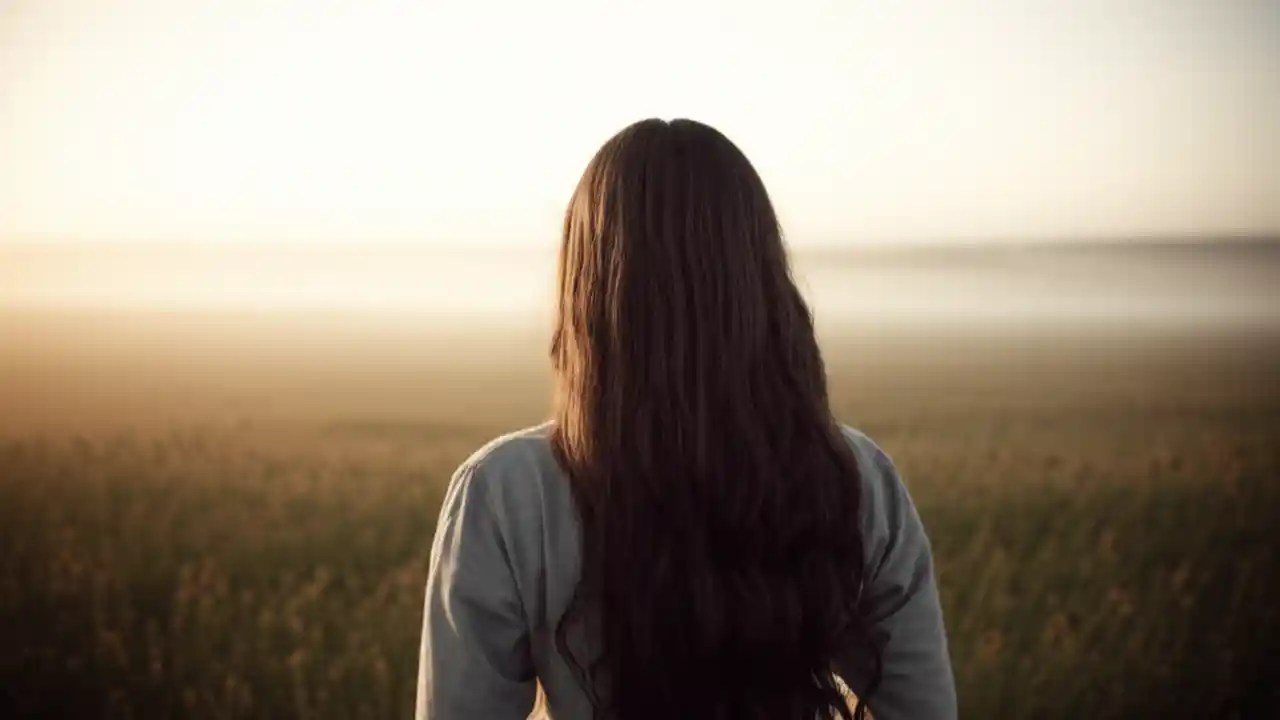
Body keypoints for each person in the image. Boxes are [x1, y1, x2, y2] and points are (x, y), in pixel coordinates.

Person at [416, 119, 956, 719]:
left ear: (586, 284)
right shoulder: (857, 477)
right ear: (760, 277)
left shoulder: (505, 491)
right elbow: (925, 709)